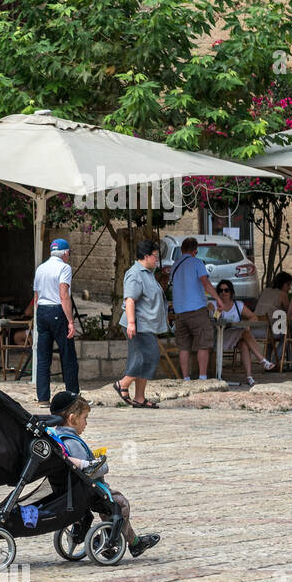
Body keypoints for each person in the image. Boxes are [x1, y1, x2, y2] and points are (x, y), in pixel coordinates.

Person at [47, 392, 161, 558]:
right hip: (89, 491)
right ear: (72, 419)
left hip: (71, 490)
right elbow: (89, 470)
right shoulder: (72, 442)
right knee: (120, 505)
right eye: (85, 418)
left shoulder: (56, 437)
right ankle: (112, 541)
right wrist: (102, 464)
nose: (86, 423)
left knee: (114, 508)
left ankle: (134, 542)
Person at [112, 240, 167, 408]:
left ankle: (140, 398)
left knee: (142, 357)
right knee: (149, 356)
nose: (157, 259)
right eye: (155, 256)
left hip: (146, 324)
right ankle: (123, 383)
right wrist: (131, 323)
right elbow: (130, 300)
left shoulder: (148, 272)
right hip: (137, 324)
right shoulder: (135, 273)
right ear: (146, 256)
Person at [31, 238, 79, 407]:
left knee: (43, 357)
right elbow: (64, 294)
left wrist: (40, 314)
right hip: (57, 310)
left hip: (42, 310)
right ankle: (72, 395)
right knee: (68, 355)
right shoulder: (64, 267)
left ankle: (43, 397)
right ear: (65, 253)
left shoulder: (40, 268)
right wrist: (71, 321)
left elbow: (36, 296)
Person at [169, 237, 222, 381]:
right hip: (197, 309)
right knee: (203, 344)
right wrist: (218, 299)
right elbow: (205, 283)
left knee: (184, 347)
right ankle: (202, 378)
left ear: (181, 249)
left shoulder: (175, 265)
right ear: (195, 250)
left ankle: (186, 379)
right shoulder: (197, 263)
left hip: (180, 312)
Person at [215, 279, 275, 386]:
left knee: (243, 344)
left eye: (226, 290)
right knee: (244, 332)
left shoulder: (238, 305)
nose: (223, 293)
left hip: (236, 336)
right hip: (220, 337)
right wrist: (218, 311)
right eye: (221, 290)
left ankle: (249, 377)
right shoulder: (214, 305)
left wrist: (247, 324)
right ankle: (262, 360)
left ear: (231, 292)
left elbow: (254, 317)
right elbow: (213, 320)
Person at [255, 271, 292, 365]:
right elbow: (289, 312)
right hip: (267, 331)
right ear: (282, 283)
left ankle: (268, 361)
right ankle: (275, 363)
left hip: (254, 329)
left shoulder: (266, 290)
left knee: (274, 330)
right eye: (288, 284)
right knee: (286, 335)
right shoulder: (282, 294)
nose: (289, 287)